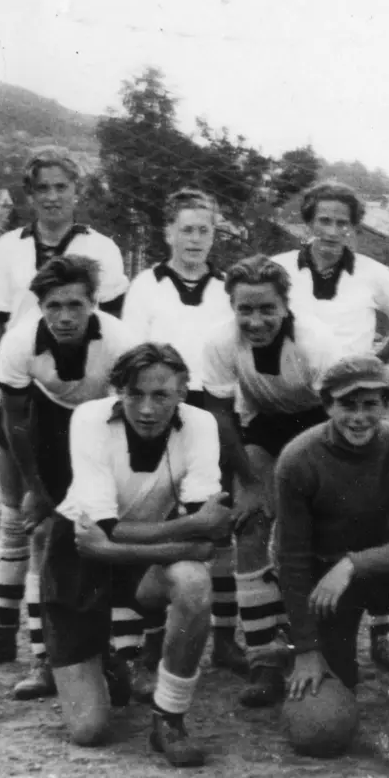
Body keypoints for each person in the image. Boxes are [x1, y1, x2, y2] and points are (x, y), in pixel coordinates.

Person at [0, 147, 131, 688]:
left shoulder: (102, 248)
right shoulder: (9, 246)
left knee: (89, 516)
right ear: (30, 195)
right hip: (30, 390)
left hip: (90, 400)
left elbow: (111, 329)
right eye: (42, 188)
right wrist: (29, 369)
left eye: (61, 187)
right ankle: (3, 629)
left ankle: (99, 644)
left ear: (77, 192)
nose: (52, 197)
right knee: (21, 514)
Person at [41, 343, 229, 767]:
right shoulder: (89, 418)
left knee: (194, 582)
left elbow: (207, 543)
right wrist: (189, 529)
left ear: (182, 392)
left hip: (138, 555)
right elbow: (100, 531)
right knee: (89, 730)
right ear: (118, 391)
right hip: (77, 559)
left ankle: (170, 717)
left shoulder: (199, 424)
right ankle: (104, 658)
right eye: (134, 394)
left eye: (160, 395)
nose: (146, 408)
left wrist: (114, 545)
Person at [277, 355, 389, 774]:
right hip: (325, 586)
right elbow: (290, 559)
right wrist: (307, 649)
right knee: (322, 733)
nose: (359, 418)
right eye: (347, 405)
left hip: (375, 573)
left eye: (370, 404)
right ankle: (291, 650)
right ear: (327, 406)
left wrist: (352, 565)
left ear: (387, 403)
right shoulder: (299, 459)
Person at [269, 179, 389, 670]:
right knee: (299, 518)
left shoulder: (373, 274)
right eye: (323, 221)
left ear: (354, 228)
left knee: (372, 512)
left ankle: (382, 629)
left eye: (342, 223)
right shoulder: (282, 269)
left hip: (356, 411)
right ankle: (292, 626)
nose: (332, 232)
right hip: (301, 406)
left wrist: (375, 364)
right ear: (308, 223)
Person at [0, 255, 135, 699]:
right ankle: (43, 658)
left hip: (100, 419)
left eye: (75, 304)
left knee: (106, 525)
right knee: (39, 532)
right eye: (53, 306)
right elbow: (15, 420)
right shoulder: (18, 343)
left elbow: (124, 417)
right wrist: (36, 489)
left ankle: (120, 651)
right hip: (40, 420)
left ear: (94, 303)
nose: (65, 317)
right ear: (39, 306)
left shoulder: (119, 341)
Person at [202, 254, 339, 708]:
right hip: (263, 426)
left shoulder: (315, 343)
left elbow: (341, 415)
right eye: (245, 310)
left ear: (285, 306)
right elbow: (222, 416)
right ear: (232, 308)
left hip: (322, 427)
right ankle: (264, 657)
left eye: (267, 309)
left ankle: (327, 645)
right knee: (250, 524)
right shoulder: (221, 343)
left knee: (323, 530)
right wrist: (250, 482)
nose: (256, 321)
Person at [122, 188, 246, 685]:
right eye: (187, 229)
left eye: (205, 230)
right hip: (160, 407)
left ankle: (227, 638)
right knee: (161, 517)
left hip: (213, 410)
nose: (195, 239)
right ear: (168, 232)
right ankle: (153, 634)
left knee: (216, 518)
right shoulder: (146, 285)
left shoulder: (224, 288)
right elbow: (134, 356)